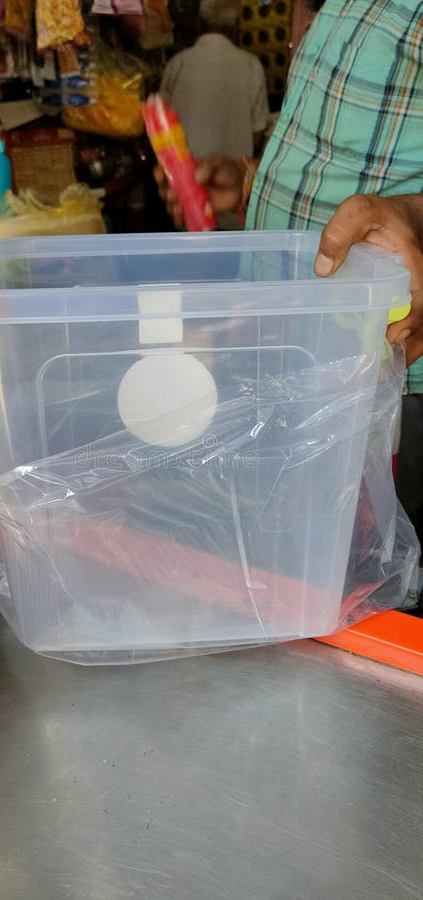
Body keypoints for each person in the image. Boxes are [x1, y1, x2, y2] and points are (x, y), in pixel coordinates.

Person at [155, 0, 423, 551]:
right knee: (304, 560)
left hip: (396, 383)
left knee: (379, 578)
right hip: (304, 366)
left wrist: (416, 216)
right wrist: (252, 182)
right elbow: (343, 151)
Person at [160, 0, 269, 162]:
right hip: (231, 178)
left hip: (182, 176)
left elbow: (161, 121)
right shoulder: (251, 66)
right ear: (236, 26)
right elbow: (257, 132)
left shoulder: (177, 63)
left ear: (200, 24)